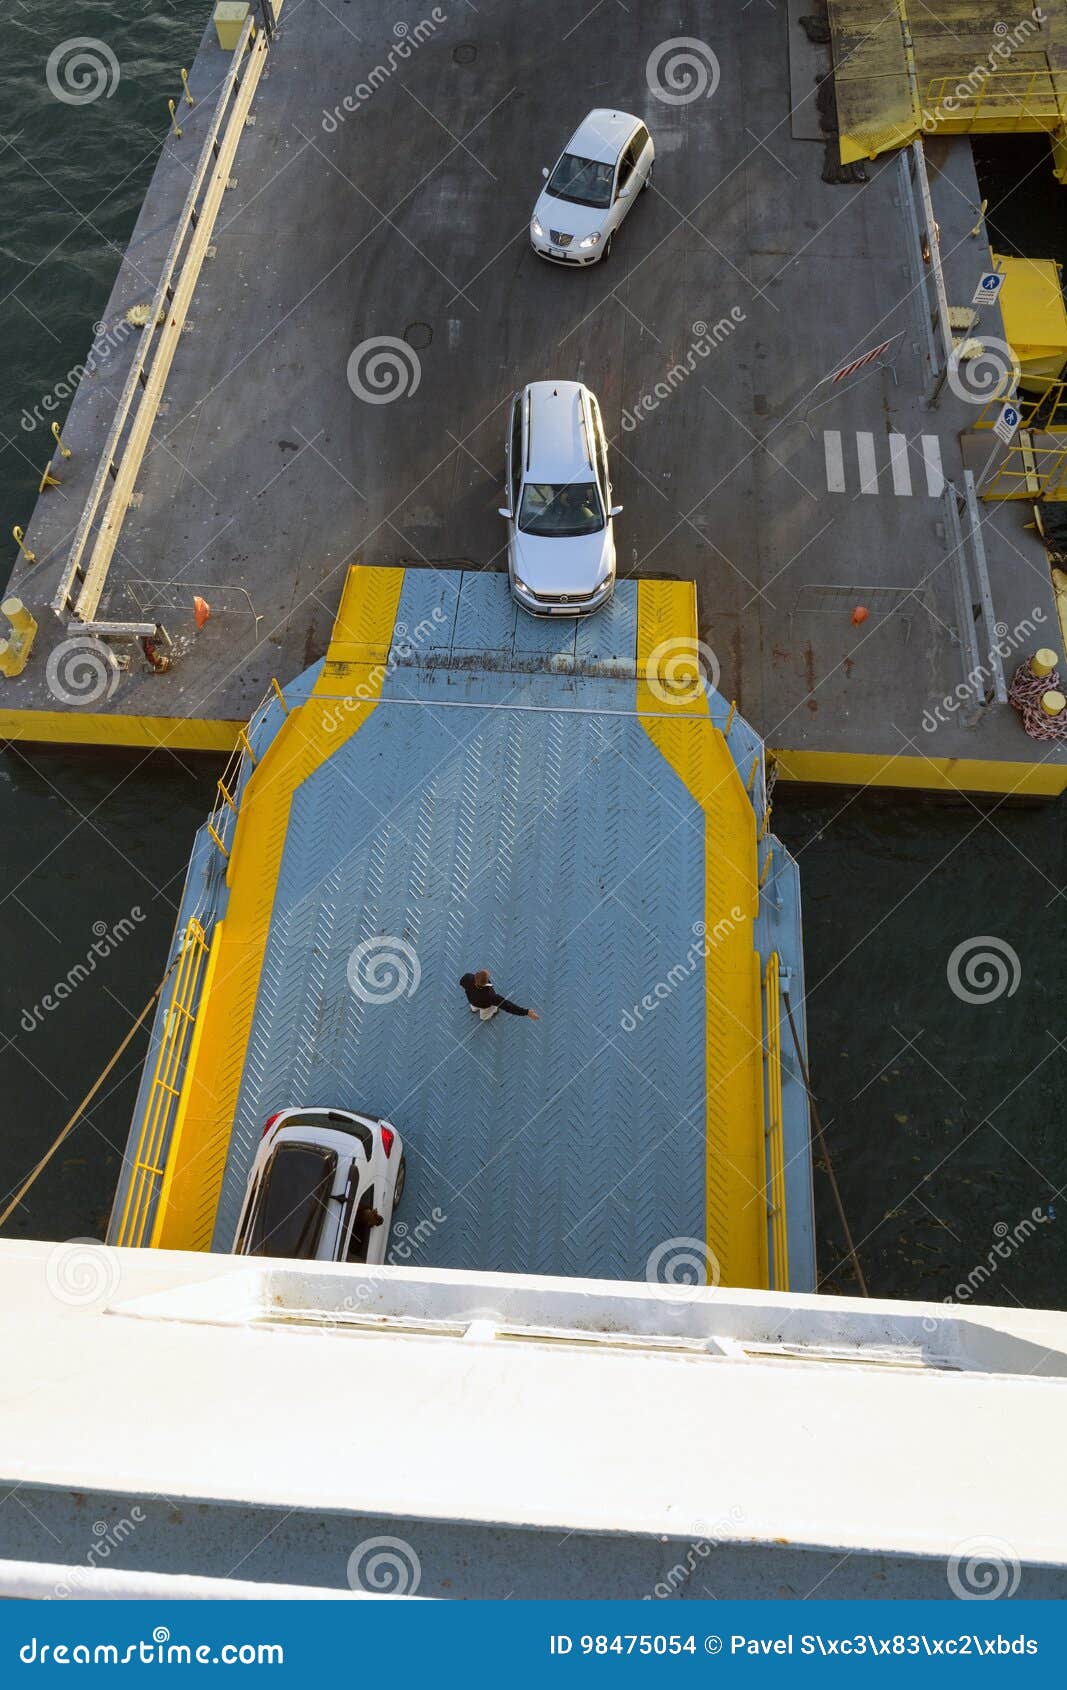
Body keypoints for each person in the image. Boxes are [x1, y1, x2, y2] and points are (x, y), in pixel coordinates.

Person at [459, 969, 539, 1022]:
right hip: (485, 1005)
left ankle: (474, 1010)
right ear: (486, 981)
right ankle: (489, 1014)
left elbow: (461, 983)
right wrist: (526, 1012)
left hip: (472, 1001)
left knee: (474, 1006)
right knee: (486, 1014)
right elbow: (508, 1006)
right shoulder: (491, 996)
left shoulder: (468, 977)